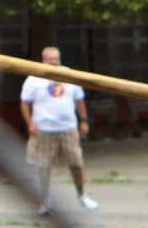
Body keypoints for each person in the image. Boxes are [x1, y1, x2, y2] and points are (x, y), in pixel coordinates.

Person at [18, 46, 97, 216]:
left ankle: (82, 195)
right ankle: (45, 201)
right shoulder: (34, 78)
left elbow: (79, 100)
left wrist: (83, 120)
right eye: (49, 59)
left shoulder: (69, 74)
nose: (53, 62)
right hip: (44, 129)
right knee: (43, 166)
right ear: (43, 59)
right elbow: (24, 103)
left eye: (56, 59)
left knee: (76, 163)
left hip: (68, 128)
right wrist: (30, 123)